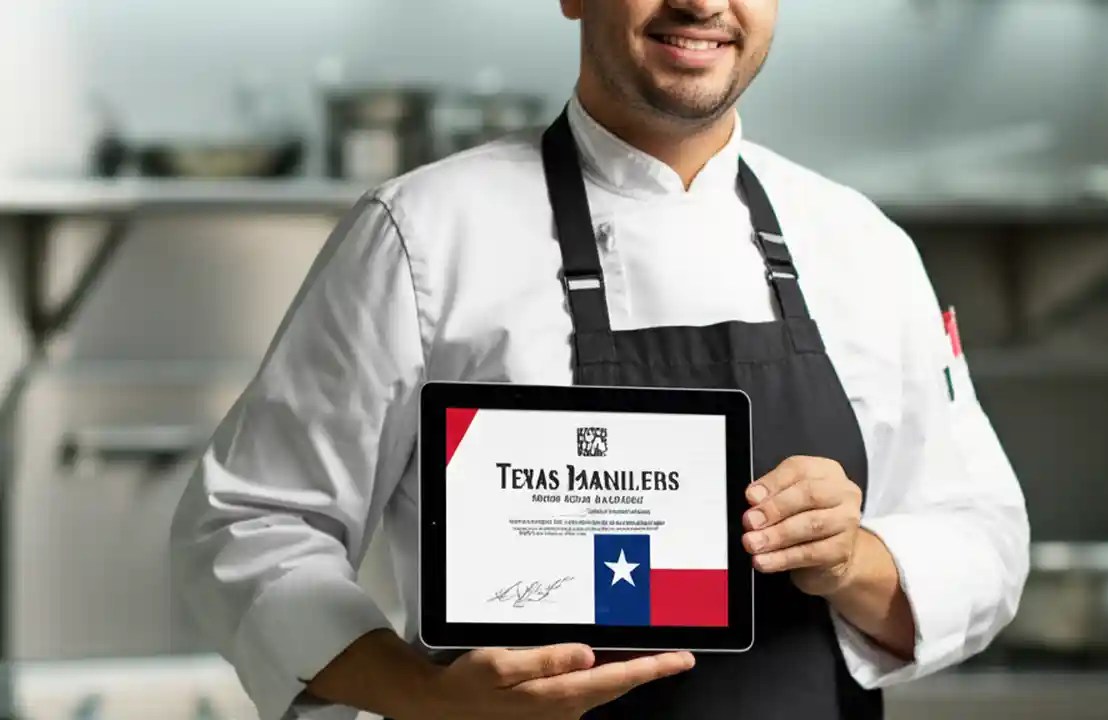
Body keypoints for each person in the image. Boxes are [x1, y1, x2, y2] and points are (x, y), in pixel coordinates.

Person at [169, 1, 1029, 718]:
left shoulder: (861, 245)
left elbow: (983, 539)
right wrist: (425, 698)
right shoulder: (423, 234)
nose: (700, 2)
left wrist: (851, 560)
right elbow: (249, 524)